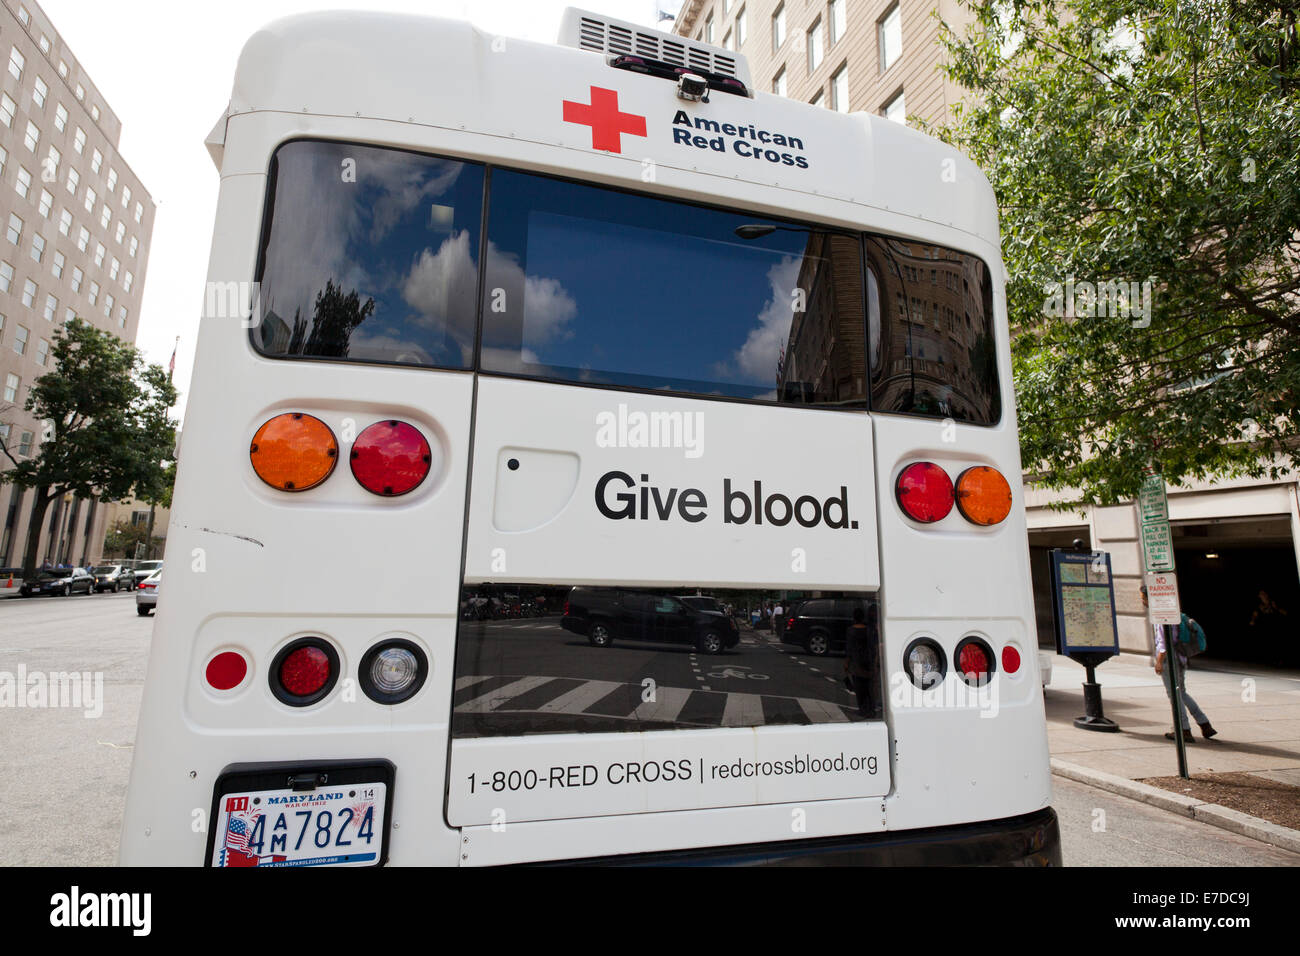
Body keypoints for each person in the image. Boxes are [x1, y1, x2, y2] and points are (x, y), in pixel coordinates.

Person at [1141, 586, 1216, 742]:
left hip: (1170, 660)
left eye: (1143, 597)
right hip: (1180, 658)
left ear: (1150, 598)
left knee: (1174, 695)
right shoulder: (1172, 612)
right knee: (1181, 693)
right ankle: (1204, 724)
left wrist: (1159, 662)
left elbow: (1164, 642)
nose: (1142, 600)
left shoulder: (1160, 616)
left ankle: (1183, 729)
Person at [844, 604, 879, 719]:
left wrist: (847, 663)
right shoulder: (869, 630)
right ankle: (871, 709)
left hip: (857, 662)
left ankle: (863, 709)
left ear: (854, 617)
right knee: (870, 687)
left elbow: (849, 649)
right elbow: (874, 646)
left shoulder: (851, 631)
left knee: (860, 688)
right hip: (869, 661)